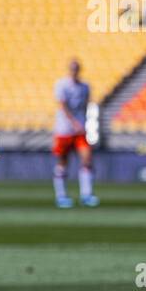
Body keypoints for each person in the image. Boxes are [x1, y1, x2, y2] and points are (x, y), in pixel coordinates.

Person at [52, 59, 97, 208]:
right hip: (64, 130)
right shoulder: (62, 85)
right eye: (72, 69)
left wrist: (83, 123)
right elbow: (63, 106)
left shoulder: (85, 87)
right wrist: (74, 122)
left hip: (79, 131)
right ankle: (61, 196)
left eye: (76, 69)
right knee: (63, 163)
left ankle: (86, 194)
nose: (74, 72)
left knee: (87, 159)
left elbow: (85, 105)